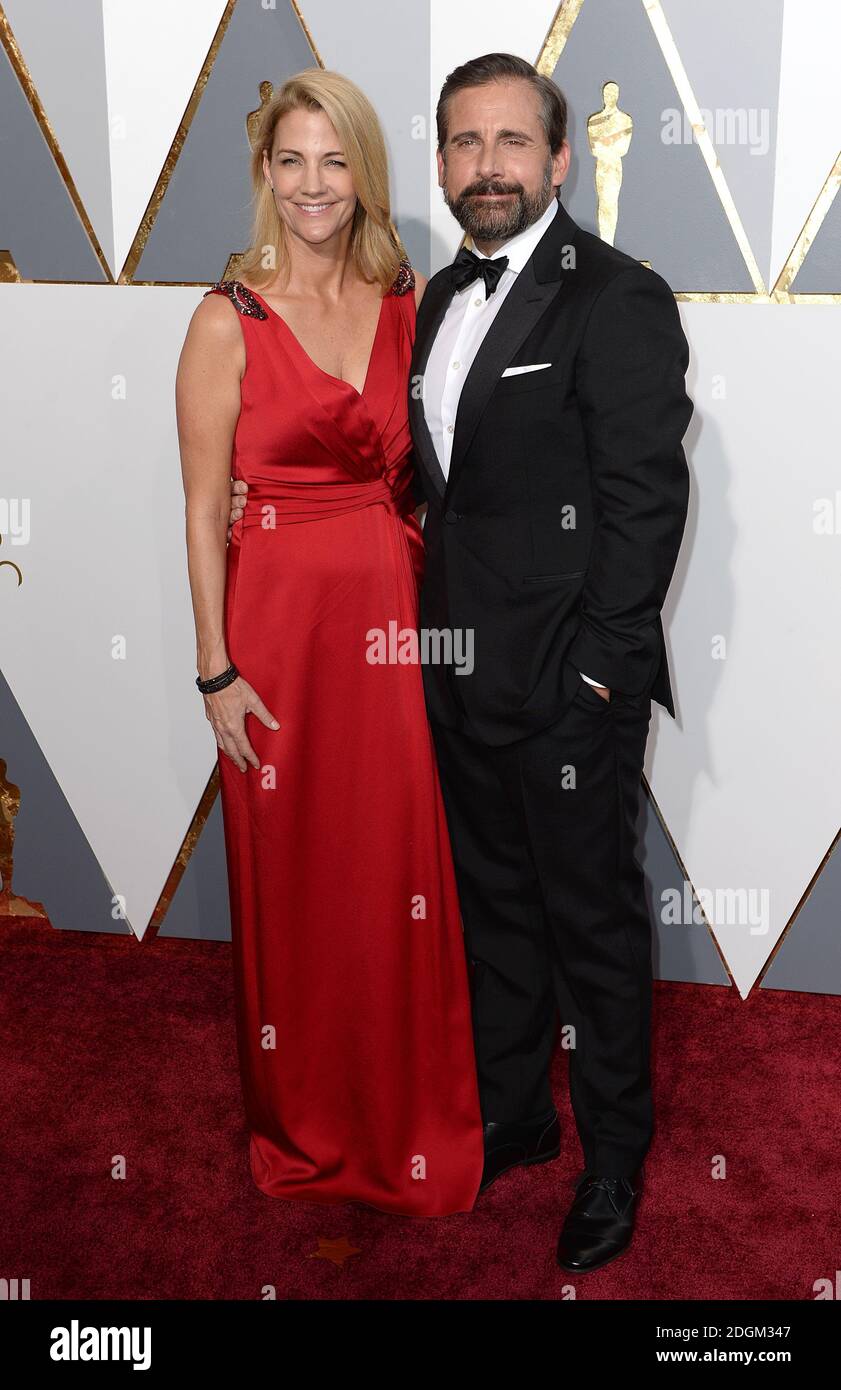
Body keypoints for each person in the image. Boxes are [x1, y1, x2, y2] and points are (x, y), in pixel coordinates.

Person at [228, 52, 694, 1272]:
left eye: (509, 143)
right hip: (448, 668)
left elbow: (645, 502)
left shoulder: (617, 296)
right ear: (438, 164)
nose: (486, 166)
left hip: (569, 688)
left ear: (553, 159)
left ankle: (613, 1162)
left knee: (590, 928)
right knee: (493, 915)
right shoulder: (431, 298)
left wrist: (599, 673)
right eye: (463, 144)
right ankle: (518, 1114)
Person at [176, 67, 484, 1215]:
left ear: (365, 174)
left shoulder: (408, 299)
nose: (314, 185)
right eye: (291, 160)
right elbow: (203, 510)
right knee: (299, 875)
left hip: (396, 623)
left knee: (399, 869)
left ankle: (410, 1115)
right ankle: (305, 1124)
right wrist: (214, 668)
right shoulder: (226, 318)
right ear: (265, 172)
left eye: (335, 160)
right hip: (280, 635)